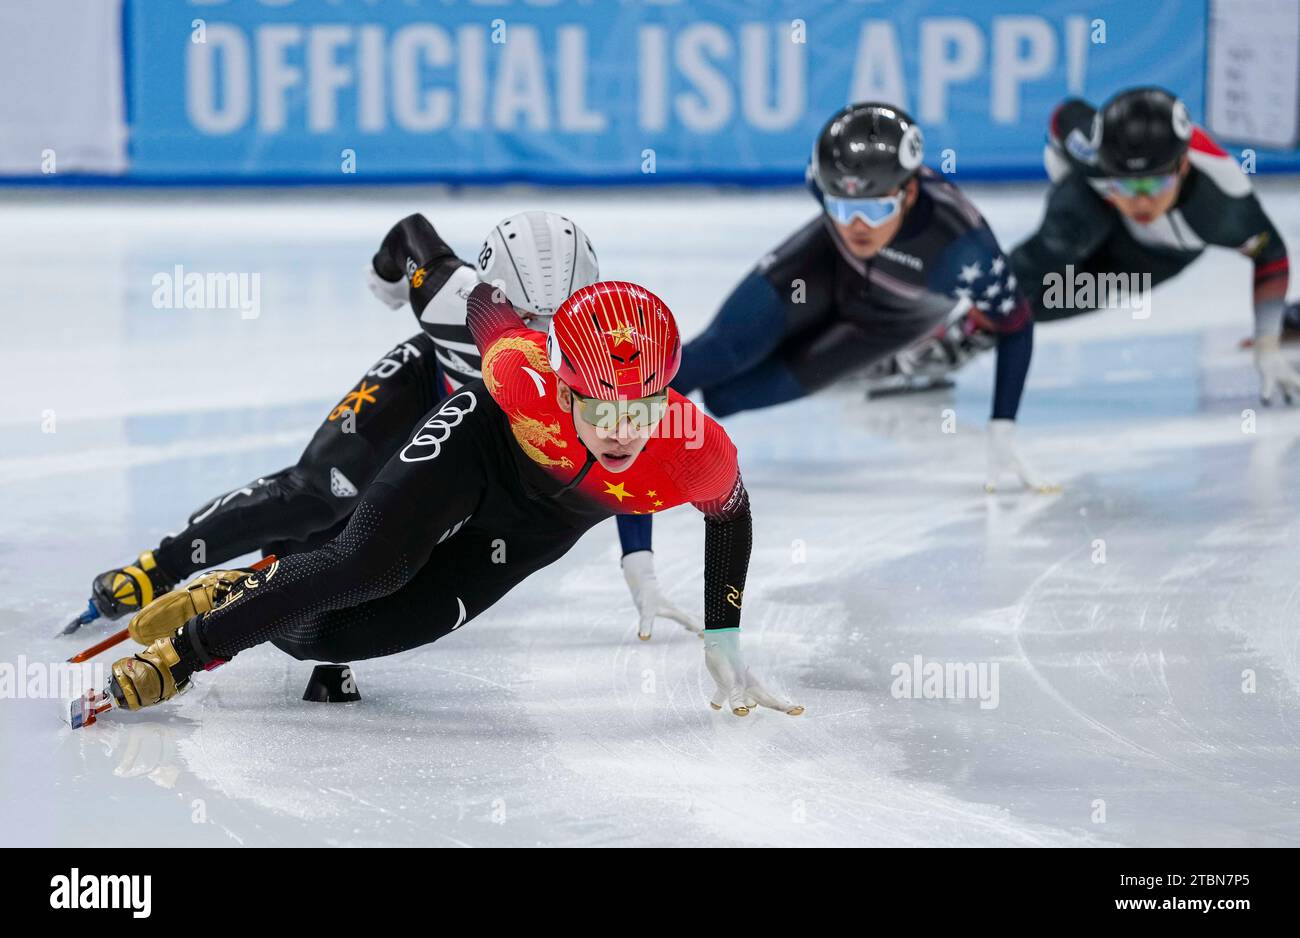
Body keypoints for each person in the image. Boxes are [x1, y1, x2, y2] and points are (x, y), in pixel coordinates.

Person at [101, 281, 802, 720]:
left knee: (346, 633)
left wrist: (724, 637)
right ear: (561, 392)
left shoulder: (694, 446)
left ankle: (252, 585)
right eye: (600, 409)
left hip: (541, 524)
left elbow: (730, 518)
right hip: (482, 444)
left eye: (641, 409)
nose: (621, 432)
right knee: (369, 566)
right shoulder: (520, 371)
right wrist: (416, 265)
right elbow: (472, 297)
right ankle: (185, 656)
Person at [72, 211, 599, 623]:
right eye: (527, 317)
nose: (541, 336)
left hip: (476, 435)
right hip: (423, 384)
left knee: (363, 545)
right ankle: (160, 566)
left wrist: (636, 561)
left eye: (562, 315)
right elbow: (407, 235)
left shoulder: (603, 352)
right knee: (323, 490)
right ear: (489, 293)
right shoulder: (446, 294)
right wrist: (387, 279)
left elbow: (626, 468)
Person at [613, 102, 1050, 570]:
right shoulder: (822, 180)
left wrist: (1003, 425)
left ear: (909, 192)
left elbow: (1016, 324)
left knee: (731, 397)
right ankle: (605, 427)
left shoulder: (964, 248)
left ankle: (882, 369)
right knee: (719, 353)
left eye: (876, 209)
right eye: (840, 207)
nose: (856, 225)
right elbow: (844, 211)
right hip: (822, 267)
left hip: (884, 324)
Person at [1010, 86, 1300, 402]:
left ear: (1183, 166)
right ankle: (970, 300)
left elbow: (1271, 256)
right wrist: (1071, 189)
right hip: (1097, 211)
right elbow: (1063, 116)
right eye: (1127, 184)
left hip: (1154, 258)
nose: (1141, 201)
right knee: (1065, 235)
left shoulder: (1221, 206)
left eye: (1156, 183)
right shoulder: (1090, 151)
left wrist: (1267, 345)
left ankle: (975, 333)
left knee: (1052, 300)